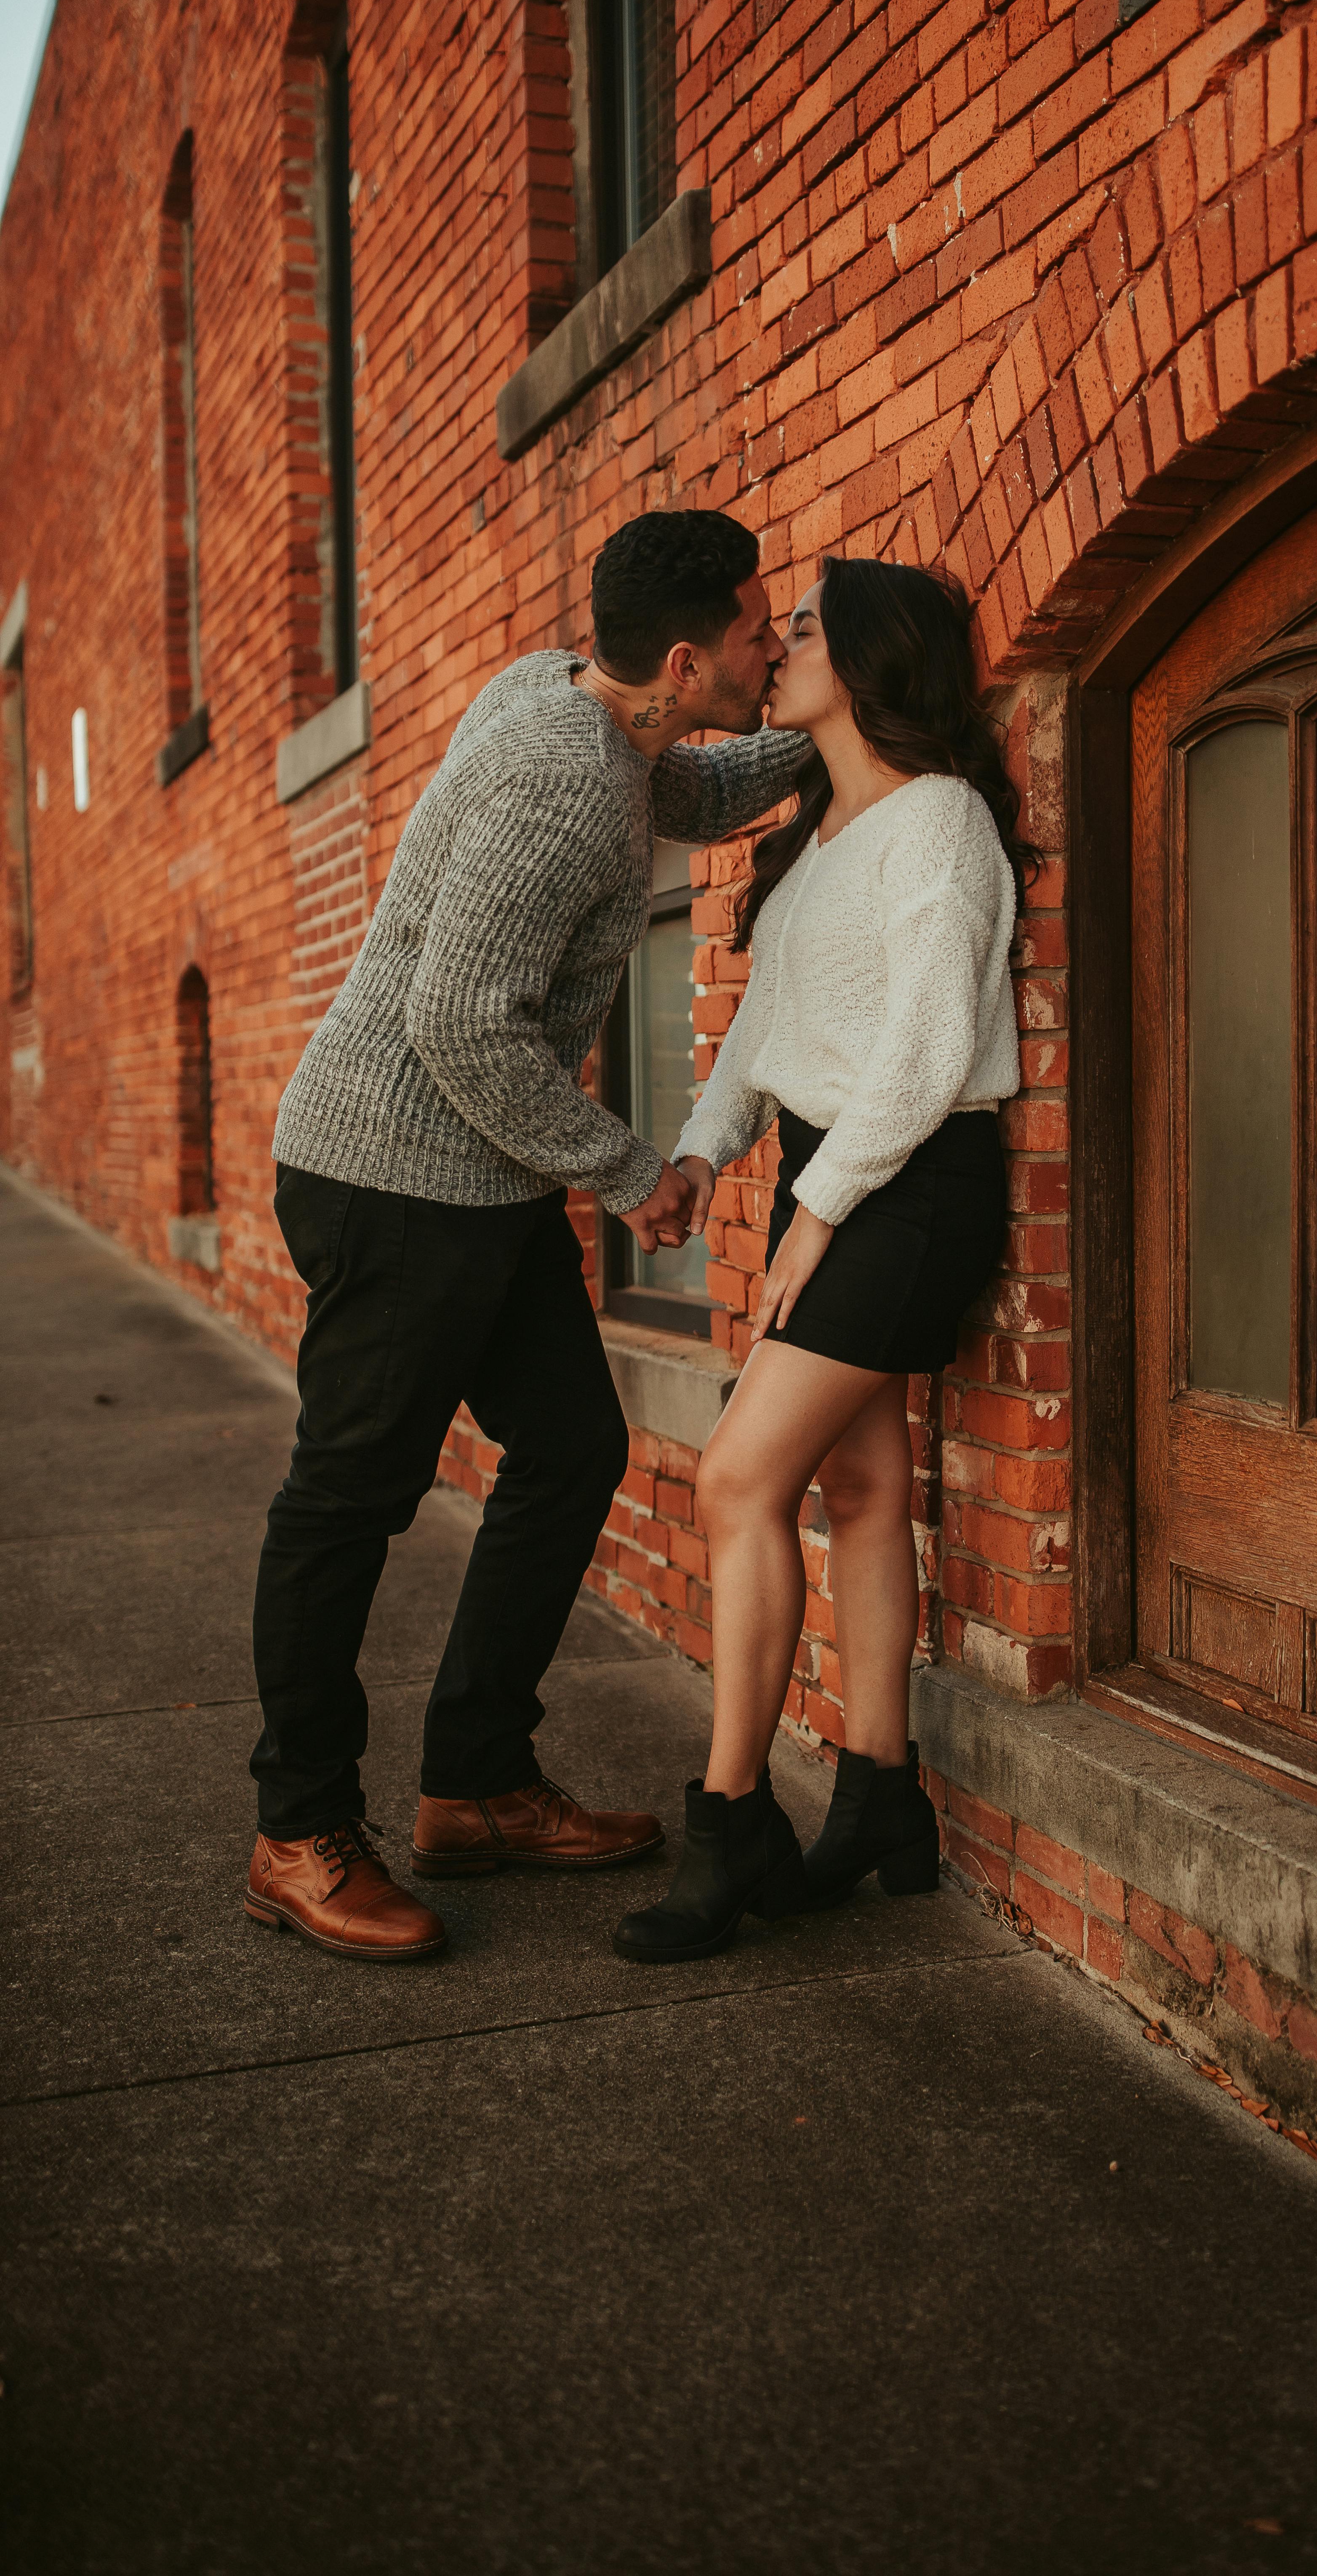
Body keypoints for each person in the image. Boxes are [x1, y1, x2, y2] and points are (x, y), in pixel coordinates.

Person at [243, 511, 811, 1962]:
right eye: (760, 628)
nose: (774, 636)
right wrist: (628, 1172)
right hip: (390, 1177)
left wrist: (833, 723)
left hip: (478, 1186)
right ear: (682, 662)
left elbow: (681, 787)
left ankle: (475, 1784)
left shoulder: (579, 699)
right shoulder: (561, 784)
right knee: (349, 1499)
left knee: (569, 1447)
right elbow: (456, 1026)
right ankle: (298, 1833)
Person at [615, 557, 1029, 1966]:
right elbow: (760, 1036)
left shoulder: (944, 826)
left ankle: (730, 1824)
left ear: (867, 658)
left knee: (738, 1475)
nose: (775, 647)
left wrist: (821, 1208)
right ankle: (882, 1801)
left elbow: (920, 1056)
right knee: (860, 1484)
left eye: (800, 630)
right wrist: (700, 1156)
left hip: (909, 1183)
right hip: (833, 1172)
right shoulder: (822, 829)